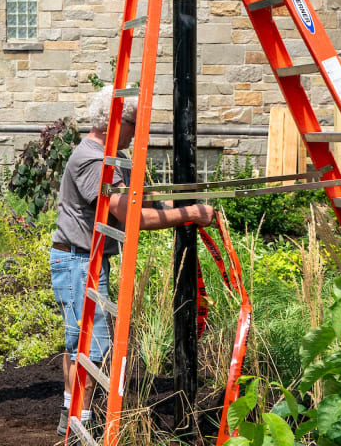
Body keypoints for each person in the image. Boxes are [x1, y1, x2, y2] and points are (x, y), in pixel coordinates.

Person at [52, 85, 218, 436]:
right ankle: (78, 423)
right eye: (134, 126)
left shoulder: (112, 158)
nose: (138, 134)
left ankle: (73, 416)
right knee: (91, 345)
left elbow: (145, 204)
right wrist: (190, 214)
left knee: (81, 342)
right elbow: (131, 217)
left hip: (86, 260)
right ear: (116, 123)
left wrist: (177, 206)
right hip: (79, 261)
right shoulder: (94, 161)